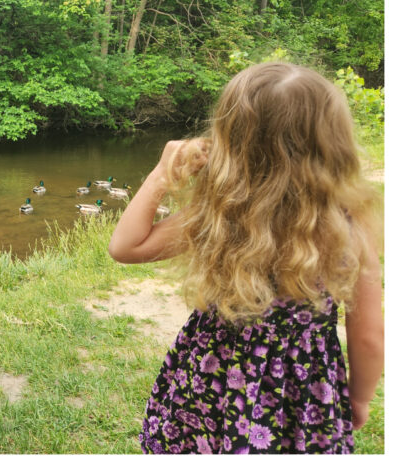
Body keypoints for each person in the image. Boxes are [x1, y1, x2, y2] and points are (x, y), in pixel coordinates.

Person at [108, 62, 382, 454]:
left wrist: (162, 175)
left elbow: (125, 246)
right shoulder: (350, 226)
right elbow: (369, 336)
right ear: (334, 142)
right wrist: (359, 397)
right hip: (303, 390)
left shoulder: (221, 214)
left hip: (212, 383)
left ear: (231, 138)